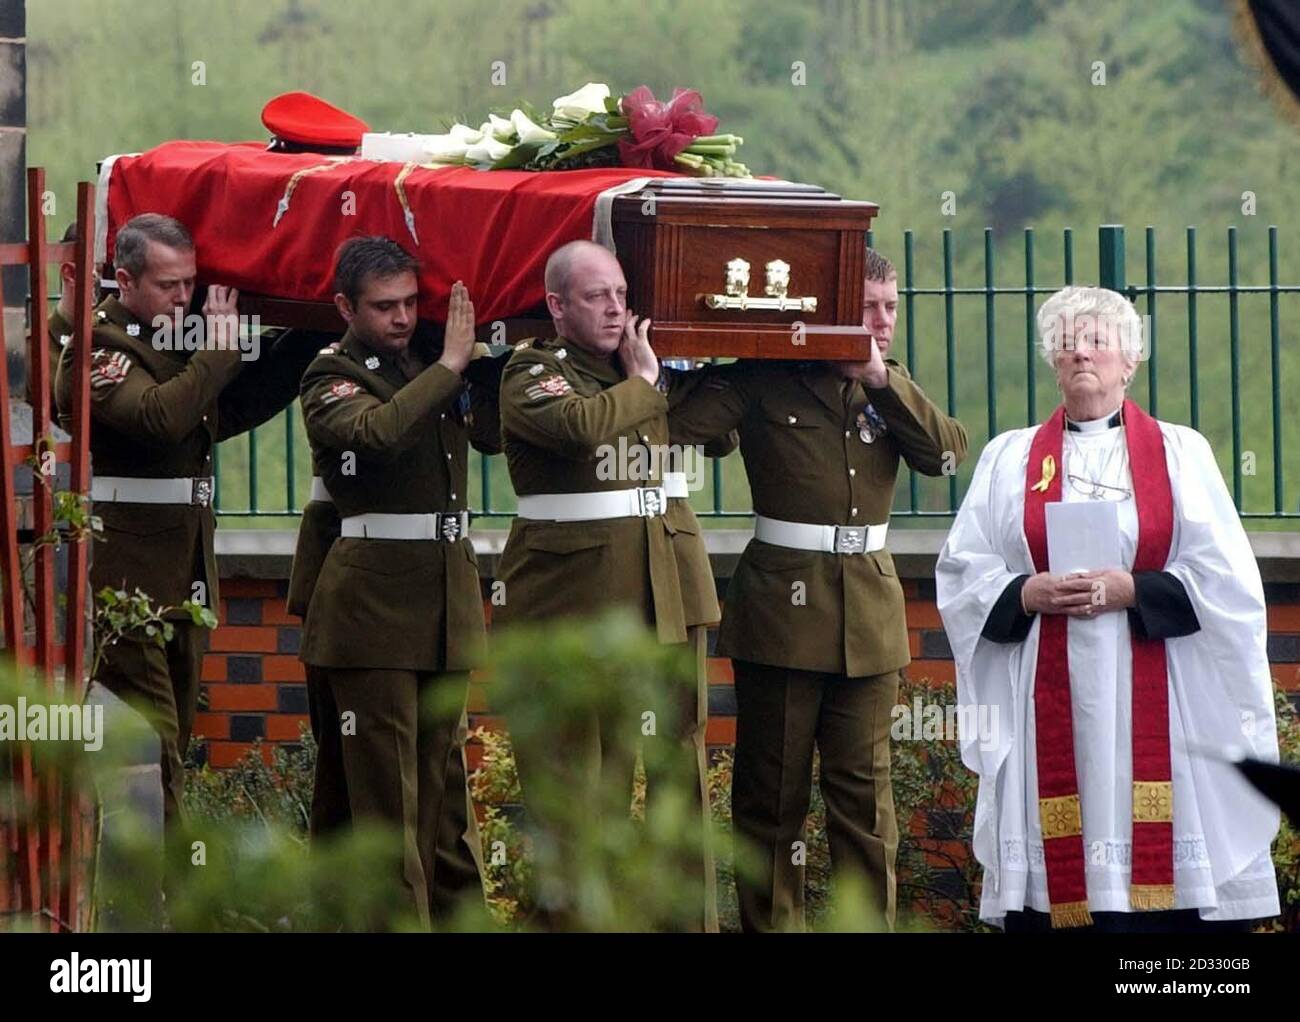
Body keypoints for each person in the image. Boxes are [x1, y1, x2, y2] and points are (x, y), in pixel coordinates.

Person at [935, 286, 1281, 931]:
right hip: (1045, 686)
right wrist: (1024, 592)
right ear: (1052, 361)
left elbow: (1226, 579)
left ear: (1131, 360)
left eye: (1097, 340)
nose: (1081, 353)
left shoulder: (1181, 452)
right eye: (1067, 342)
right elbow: (963, 570)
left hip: (1155, 683)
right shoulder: (1009, 458)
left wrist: (1135, 589)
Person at [669, 248, 968, 931]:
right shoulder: (765, 379)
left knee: (864, 804)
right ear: (833, 306)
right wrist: (688, 360)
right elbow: (678, 429)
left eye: (892, 307)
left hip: (868, 616)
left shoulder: (889, 387)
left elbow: (947, 454)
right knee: (771, 801)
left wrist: (881, 380)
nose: (883, 321)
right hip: (782, 615)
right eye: (868, 307)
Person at [54, 212, 323, 823]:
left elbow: (233, 406)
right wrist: (218, 350)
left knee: (173, 744)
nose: (186, 298)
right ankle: (150, 900)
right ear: (123, 280)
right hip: (128, 583)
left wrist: (308, 326)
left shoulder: (171, 343)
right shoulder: (98, 350)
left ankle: (161, 892)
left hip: (186, 579)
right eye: (169, 286)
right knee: (147, 746)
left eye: (192, 283)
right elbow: (159, 418)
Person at [493, 239, 716, 929]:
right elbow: (579, 429)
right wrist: (646, 381)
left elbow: (721, 429)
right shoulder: (533, 372)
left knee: (637, 782)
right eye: (597, 296)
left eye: (621, 293)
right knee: (574, 792)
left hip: (655, 600)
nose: (616, 307)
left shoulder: (642, 369)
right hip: (570, 612)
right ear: (557, 307)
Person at [296, 236, 499, 927]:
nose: (404, 317)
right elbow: (378, 433)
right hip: (371, 611)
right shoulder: (328, 375)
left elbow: (495, 433)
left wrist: (487, 362)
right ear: (345, 306)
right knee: (387, 802)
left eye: (414, 302)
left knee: (445, 799)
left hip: (445, 600)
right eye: (386, 306)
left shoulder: (434, 356)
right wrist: (449, 366)